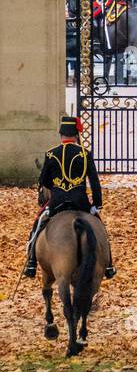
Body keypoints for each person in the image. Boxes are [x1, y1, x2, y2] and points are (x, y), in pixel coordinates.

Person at [24, 115, 116, 279]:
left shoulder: (51, 154)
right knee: (101, 229)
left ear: (61, 135)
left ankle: (31, 262)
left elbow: (43, 180)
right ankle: (109, 265)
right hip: (80, 203)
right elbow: (94, 182)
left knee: (37, 225)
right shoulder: (85, 153)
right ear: (76, 135)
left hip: (57, 202)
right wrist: (97, 204)